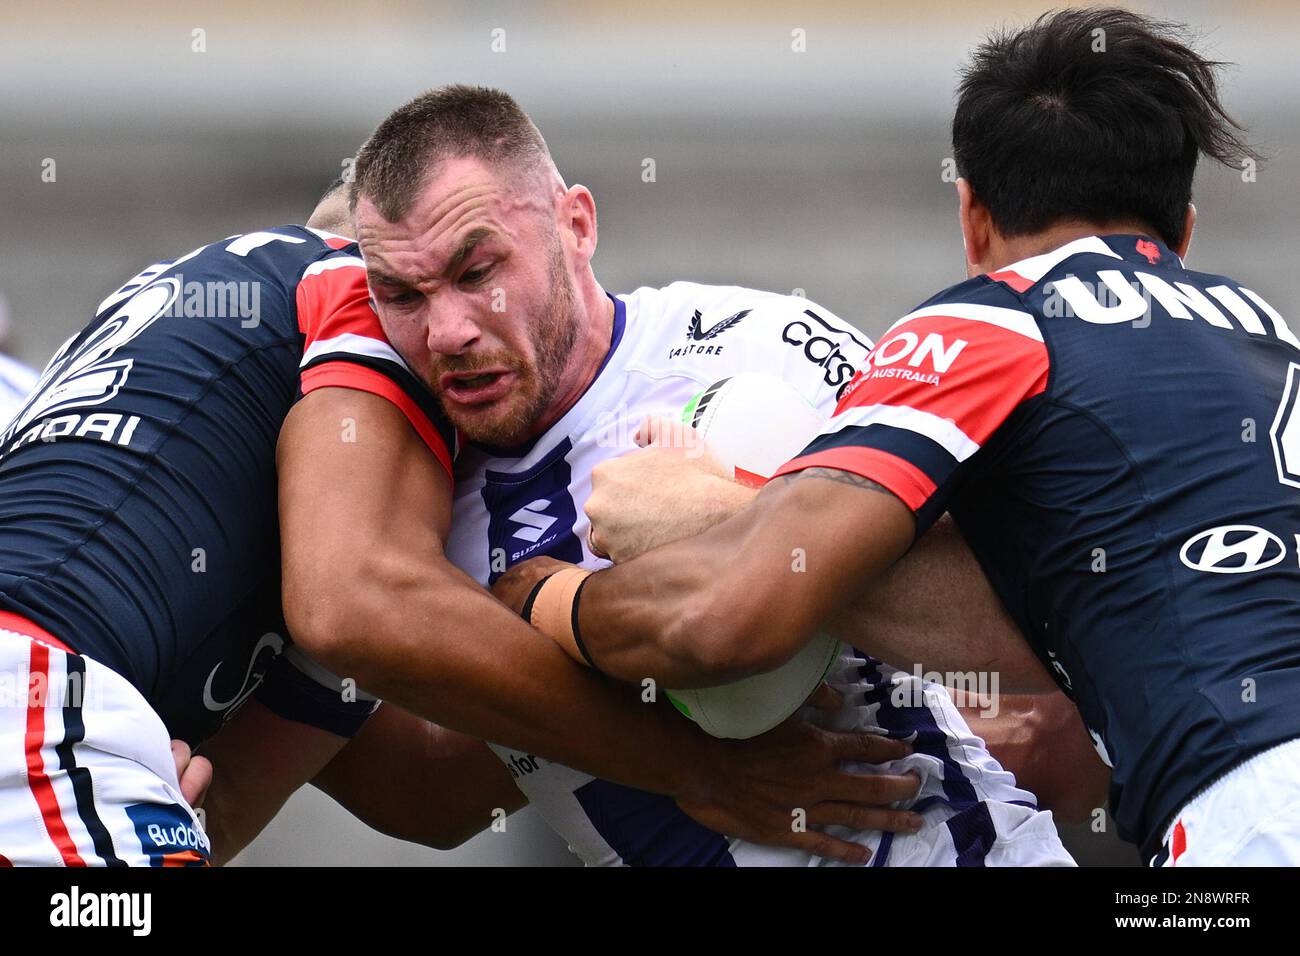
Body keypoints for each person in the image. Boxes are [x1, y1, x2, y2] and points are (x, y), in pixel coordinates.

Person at [505, 8, 1300, 866]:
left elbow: (730, 619)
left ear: (974, 217)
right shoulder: (1267, 335)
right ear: (1181, 232)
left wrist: (544, 597)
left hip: (1253, 812)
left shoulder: (993, 324)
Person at [0, 195, 911, 867]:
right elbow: (354, 606)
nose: (451, 332)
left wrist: (607, 635)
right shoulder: (351, 288)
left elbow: (419, 787)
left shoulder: (209, 429)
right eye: (430, 284)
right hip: (34, 702)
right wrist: (685, 757)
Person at [333, 85, 1078, 865]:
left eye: (477, 268)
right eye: (400, 295)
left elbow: (1012, 597)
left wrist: (737, 518)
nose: (446, 330)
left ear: (575, 225)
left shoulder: (767, 348)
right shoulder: (407, 508)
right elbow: (436, 795)